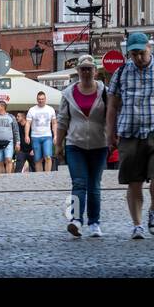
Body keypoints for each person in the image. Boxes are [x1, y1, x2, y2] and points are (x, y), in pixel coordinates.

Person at [106, 32, 154, 239]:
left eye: (141, 53)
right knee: (134, 181)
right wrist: (109, 133)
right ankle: (137, 224)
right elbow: (112, 105)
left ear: (149, 48)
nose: (138, 58)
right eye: (133, 54)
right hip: (129, 133)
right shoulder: (120, 73)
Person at [57, 55, 109, 238]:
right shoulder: (68, 93)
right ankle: (76, 220)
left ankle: (94, 222)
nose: (86, 72)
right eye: (83, 69)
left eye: (89, 69)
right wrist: (59, 145)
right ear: (78, 71)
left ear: (95, 71)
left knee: (94, 185)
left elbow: (111, 117)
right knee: (78, 183)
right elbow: (62, 121)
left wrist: (113, 138)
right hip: (75, 144)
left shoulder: (105, 92)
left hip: (99, 144)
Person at [27, 90, 58, 172]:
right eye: (39, 99)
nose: (41, 100)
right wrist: (27, 135)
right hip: (35, 136)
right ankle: (40, 177)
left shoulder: (50, 109)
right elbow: (28, 123)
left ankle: (47, 175)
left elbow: (54, 123)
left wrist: (55, 135)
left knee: (48, 156)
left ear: (45, 99)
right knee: (38, 159)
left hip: (47, 136)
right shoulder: (32, 110)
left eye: (42, 99)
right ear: (37, 99)